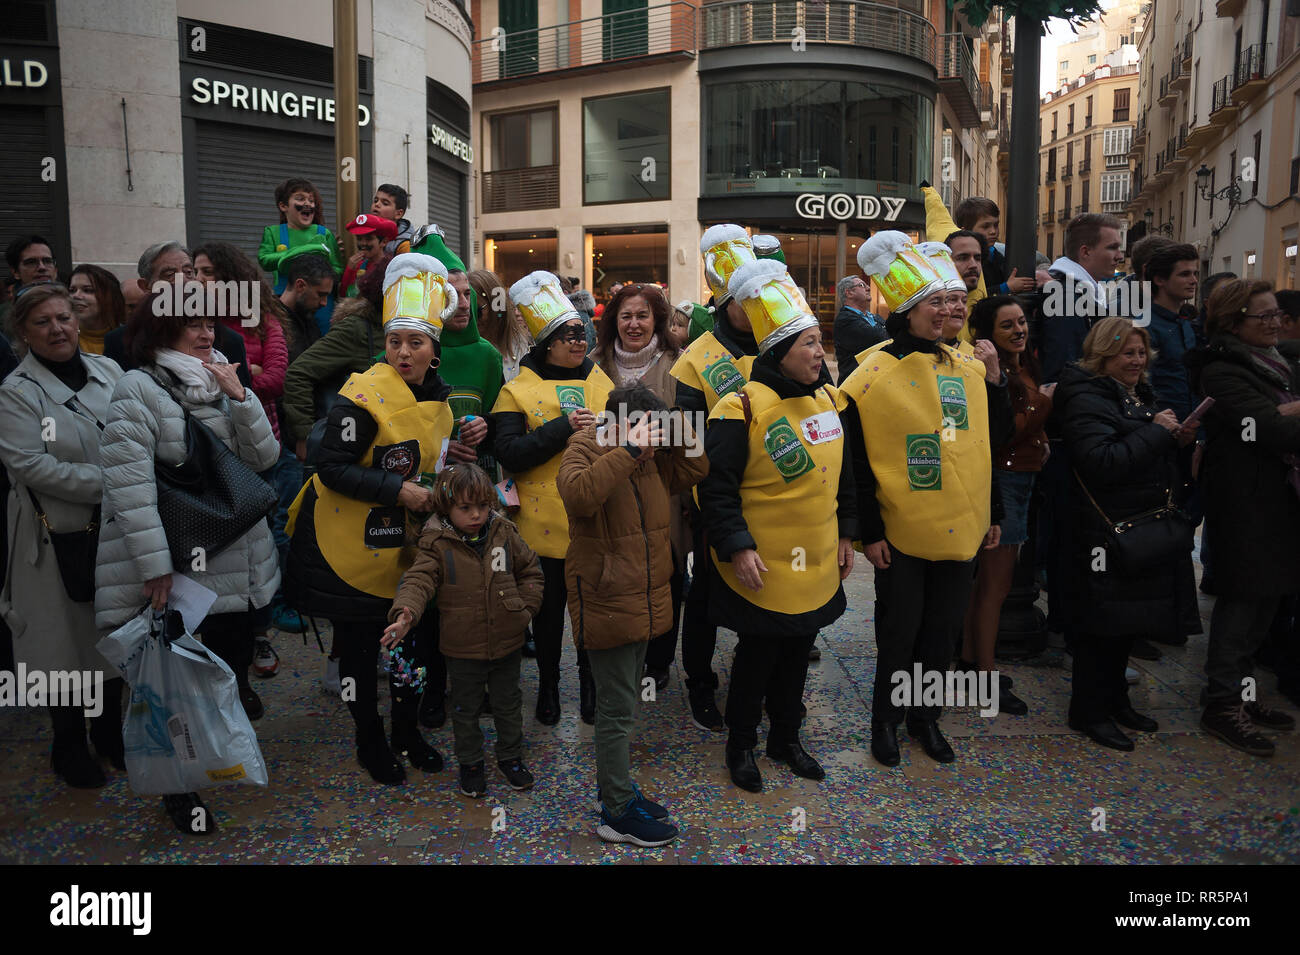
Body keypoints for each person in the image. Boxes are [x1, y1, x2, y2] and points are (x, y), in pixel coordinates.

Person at [94, 290, 280, 835]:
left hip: (236, 561)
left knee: (226, 665)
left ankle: (218, 759)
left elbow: (264, 459)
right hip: (181, 569)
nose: (205, 335)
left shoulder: (219, 379)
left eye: (208, 324)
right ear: (158, 335)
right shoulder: (137, 389)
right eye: (190, 326)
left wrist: (241, 397)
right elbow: (129, 490)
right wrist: (155, 568)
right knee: (176, 685)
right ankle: (180, 790)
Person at [840, 231, 1009, 767]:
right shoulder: (869, 373)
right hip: (902, 534)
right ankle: (885, 722)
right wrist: (870, 532)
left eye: (956, 300)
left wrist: (993, 512)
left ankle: (925, 719)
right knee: (899, 633)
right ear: (909, 310)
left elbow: (988, 443)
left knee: (941, 633)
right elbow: (856, 463)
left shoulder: (969, 366)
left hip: (963, 526)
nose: (952, 309)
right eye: (938, 301)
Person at [284, 253, 456, 783]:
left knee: (414, 644)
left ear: (434, 350)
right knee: (360, 652)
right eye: (395, 341)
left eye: (416, 343)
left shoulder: (437, 395)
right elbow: (329, 465)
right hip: (348, 546)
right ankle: (368, 737)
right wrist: (396, 490)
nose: (403, 353)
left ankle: (407, 730)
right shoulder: (361, 396)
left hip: (403, 550)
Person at [700, 259, 854, 791]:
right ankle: (740, 744)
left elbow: (845, 476)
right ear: (778, 353)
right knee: (758, 657)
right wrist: (738, 548)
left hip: (814, 558)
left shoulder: (830, 401)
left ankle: (786, 738)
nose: (819, 353)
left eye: (819, 342)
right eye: (808, 344)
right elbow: (715, 491)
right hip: (763, 564)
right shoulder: (737, 407)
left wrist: (846, 532)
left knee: (797, 655)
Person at [558, 383, 707, 843]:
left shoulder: (656, 458)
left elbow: (699, 467)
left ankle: (618, 791)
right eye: (645, 428)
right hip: (607, 600)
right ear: (618, 423)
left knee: (624, 707)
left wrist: (676, 429)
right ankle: (617, 813)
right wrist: (627, 450)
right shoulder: (585, 447)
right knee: (616, 711)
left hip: (644, 595)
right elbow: (580, 496)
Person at [0, 283, 125, 788]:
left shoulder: (111, 372)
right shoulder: (16, 393)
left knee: (111, 634)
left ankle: (112, 735)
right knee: (62, 645)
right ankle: (68, 742)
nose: (57, 329)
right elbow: (30, 464)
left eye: (63, 318)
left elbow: (137, 432)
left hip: (113, 531)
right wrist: (116, 481)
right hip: (52, 536)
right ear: (24, 335)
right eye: (42, 323)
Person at [1052, 317, 1192, 751]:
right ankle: (1089, 711)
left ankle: (1116, 701)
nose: (1135, 361)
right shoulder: (1085, 394)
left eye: (1139, 353)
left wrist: (1176, 438)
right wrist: (1156, 433)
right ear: (1102, 355)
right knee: (1099, 626)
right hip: (1101, 531)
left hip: (1135, 524)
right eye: (1125, 353)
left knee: (1124, 623)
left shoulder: (1136, 392)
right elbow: (1101, 460)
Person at [492, 271, 615, 726]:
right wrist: (563, 427)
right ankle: (547, 685)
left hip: (594, 524)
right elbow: (509, 454)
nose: (578, 341)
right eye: (566, 336)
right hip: (538, 531)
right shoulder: (514, 391)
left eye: (582, 332)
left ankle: (588, 683)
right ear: (544, 344)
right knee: (546, 616)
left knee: (591, 614)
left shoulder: (605, 384)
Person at [1187, 280, 1300, 756]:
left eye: (1277, 314)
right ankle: (1222, 704)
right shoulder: (1222, 369)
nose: (1276, 323)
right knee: (1243, 602)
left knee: (1268, 599)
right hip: (1246, 500)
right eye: (1264, 317)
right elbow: (1269, 429)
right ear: (1235, 323)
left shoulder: (1273, 363)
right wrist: (1287, 414)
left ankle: (1244, 695)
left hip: (1277, 499)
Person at [386, 463, 544, 798]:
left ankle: (511, 757)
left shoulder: (504, 533)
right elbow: (419, 580)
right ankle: (471, 763)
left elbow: (530, 570)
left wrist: (525, 610)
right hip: (462, 647)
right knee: (465, 708)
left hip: (507, 639)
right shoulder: (436, 543)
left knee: (508, 703)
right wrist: (405, 614)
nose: (476, 515)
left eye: (483, 506)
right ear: (446, 508)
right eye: (465, 508)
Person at [669, 226, 761, 731]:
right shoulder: (697, 357)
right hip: (716, 498)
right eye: (744, 298)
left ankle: (762, 681)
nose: (755, 305)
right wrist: (691, 495)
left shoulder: (782, 342)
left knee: (769, 591)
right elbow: (685, 436)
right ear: (724, 299)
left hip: (780, 497)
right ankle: (700, 682)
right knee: (705, 596)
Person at [192, 241, 293, 663]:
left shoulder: (259, 321)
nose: (199, 280)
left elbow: (274, 378)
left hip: (257, 441)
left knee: (262, 538)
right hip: (204, 452)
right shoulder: (190, 324)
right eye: (195, 271)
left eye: (208, 272)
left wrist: (242, 379)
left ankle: (260, 629)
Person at [591, 283, 684, 691]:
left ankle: (659, 660)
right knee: (614, 574)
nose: (634, 324)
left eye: (642, 315)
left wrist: (653, 437)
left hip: (663, 487)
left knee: (663, 571)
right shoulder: (593, 364)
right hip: (609, 488)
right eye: (626, 315)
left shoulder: (679, 364)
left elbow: (691, 430)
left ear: (657, 321)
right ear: (613, 320)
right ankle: (614, 654)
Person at [960, 295, 1050, 716]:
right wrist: (1044, 403)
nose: (1019, 330)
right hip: (1005, 482)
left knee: (989, 585)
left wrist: (1042, 440)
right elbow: (1003, 431)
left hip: (1024, 479)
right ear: (986, 337)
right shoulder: (989, 371)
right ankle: (985, 675)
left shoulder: (1024, 364)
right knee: (995, 587)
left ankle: (970, 659)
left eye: (1021, 322)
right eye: (1007, 325)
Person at [102, 242, 252, 390]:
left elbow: (244, 403)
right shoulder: (120, 342)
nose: (184, 281)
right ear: (145, 286)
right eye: (170, 275)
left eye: (188, 272)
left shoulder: (228, 341)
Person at [257, 177, 343, 293]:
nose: (307, 203)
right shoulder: (273, 232)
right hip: (284, 298)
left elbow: (338, 269)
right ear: (283, 206)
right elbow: (264, 260)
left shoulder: (324, 233)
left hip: (321, 302)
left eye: (311, 200)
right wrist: (299, 252)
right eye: (300, 199)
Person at [953, 197, 1037, 296]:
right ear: (965, 231)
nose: (993, 231)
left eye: (996, 225)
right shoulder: (958, 261)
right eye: (985, 226)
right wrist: (1006, 288)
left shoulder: (997, 256)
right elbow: (971, 296)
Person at [469, 269, 531, 384]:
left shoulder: (525, 346)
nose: (471, 318)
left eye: (477, 310)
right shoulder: (463, 347)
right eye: (467, 310)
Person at [832, 274, 884, 383]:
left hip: (875, 382)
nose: (868, 288)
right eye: (862, 285)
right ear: (849, 293)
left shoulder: (875, 317)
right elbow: (878, 338)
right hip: (856, 386)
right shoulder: (845, 320)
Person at [67, 264, 126, 355]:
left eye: (88, 290)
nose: (76, 296)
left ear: (109, 297)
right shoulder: (63, 338)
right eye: (72, 290)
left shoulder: (129, 338)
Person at [341, 213, 397, 297]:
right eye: (359, 239)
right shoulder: (357, 265)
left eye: (369, 239)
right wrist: (349, 271)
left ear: (384, 242)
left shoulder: (392, 267)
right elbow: (343, 295)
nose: (363, 243)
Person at [371, 183, 414, 256]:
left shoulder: (405, 246)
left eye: (385, 203)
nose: (377, 204)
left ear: (398, 214)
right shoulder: (366, 233)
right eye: (375, 200)